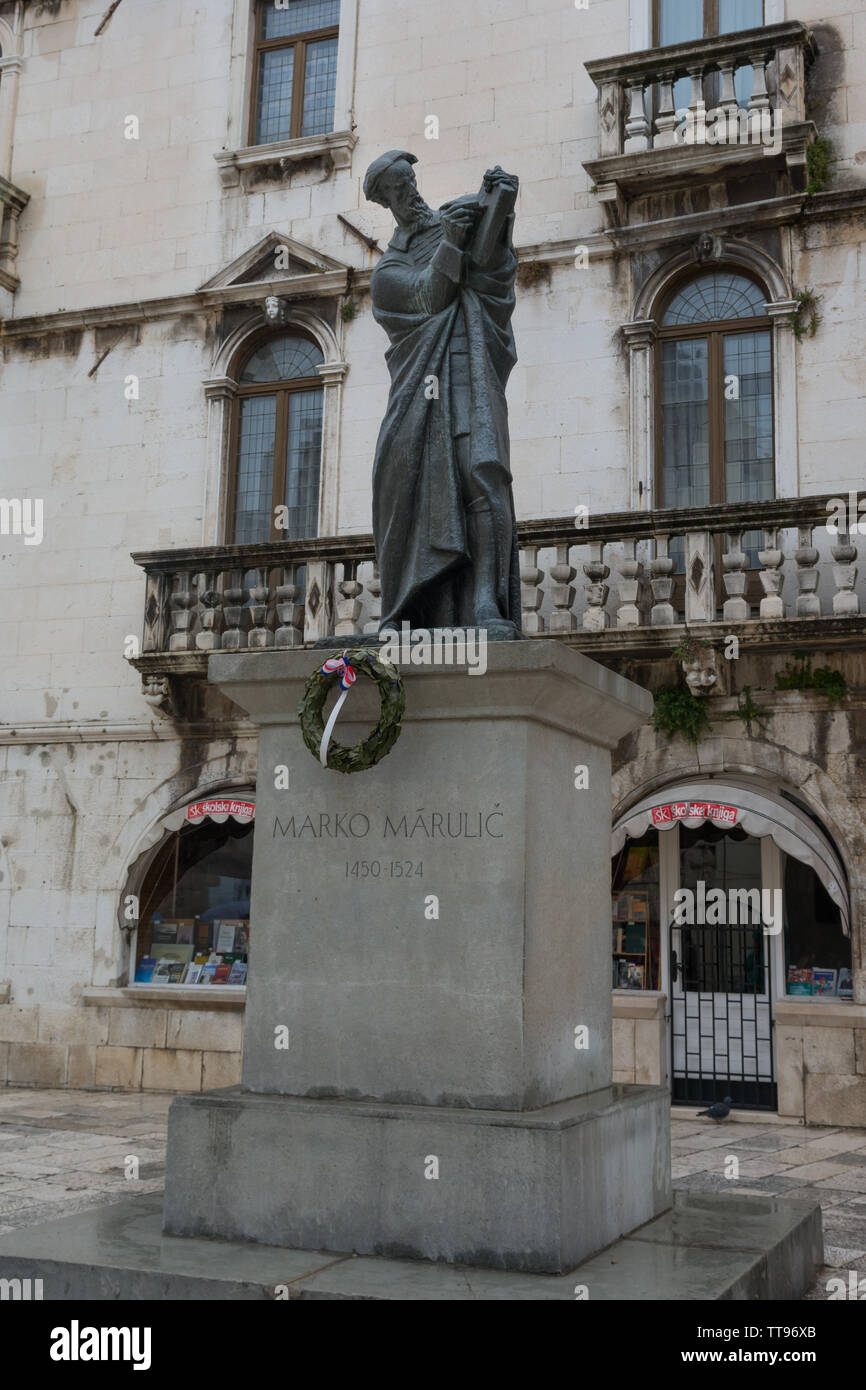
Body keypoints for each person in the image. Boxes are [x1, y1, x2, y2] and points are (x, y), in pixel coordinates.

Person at [363, 150, 523, 639]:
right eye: (397, 188)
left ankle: (484, 603)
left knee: (482, 476)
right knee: (422, 489)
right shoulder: (387, 273)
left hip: (470, 372)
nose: (409, 192)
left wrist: (500, 206)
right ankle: (418, 604)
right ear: (384, 200)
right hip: (421, 396)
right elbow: (430, 297)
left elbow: (492, 272)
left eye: (410, 180)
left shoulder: (454, 216)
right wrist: (455, 238)